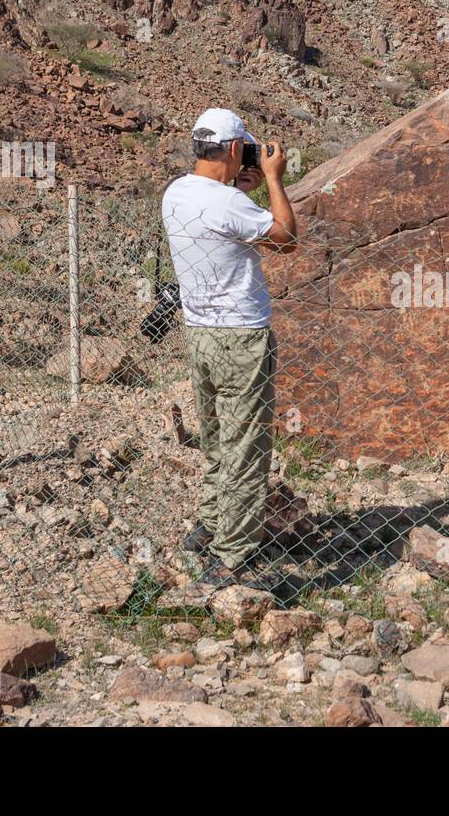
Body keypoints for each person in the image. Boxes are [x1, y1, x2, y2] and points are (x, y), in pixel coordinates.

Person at [161, 108, 297, 588]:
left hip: (199, 335)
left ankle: (210, 523)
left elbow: (221, 207)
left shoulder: (176, 192)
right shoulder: (231, 205)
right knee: (246, 448)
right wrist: (275, 180)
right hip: (241, 337)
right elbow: (285, 238)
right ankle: (232, 557)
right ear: (237, 150)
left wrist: (246, 183)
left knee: (218, 439)